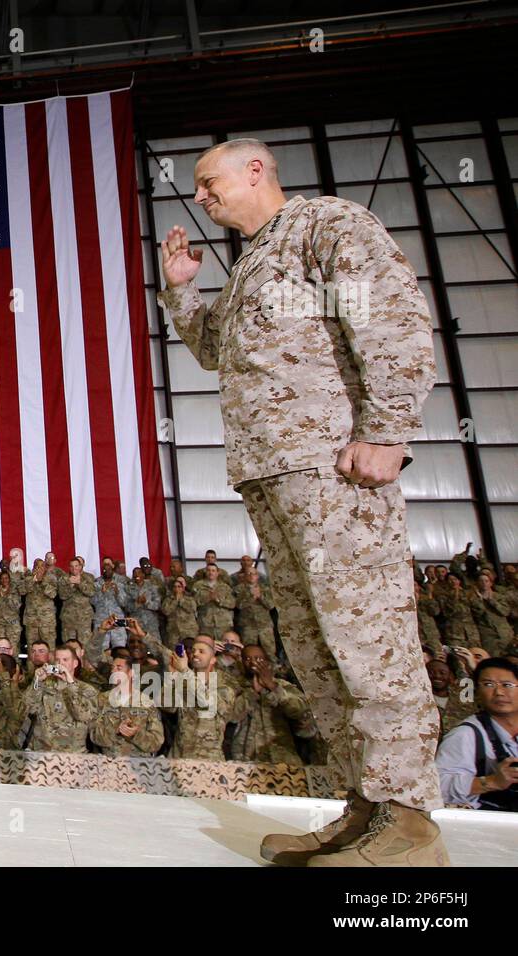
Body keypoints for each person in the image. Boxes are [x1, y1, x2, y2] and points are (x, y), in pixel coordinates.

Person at [159, 138, 445, 866]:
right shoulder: (254, 260)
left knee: (368, 639)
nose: (201, 196)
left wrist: (387, 430)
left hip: (336, 471)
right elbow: (216, 349)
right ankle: (366, 808)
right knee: (319, 649)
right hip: (273, 475)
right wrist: (182, 288)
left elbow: (395, 323)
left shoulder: (326, 226)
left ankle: (410, 826)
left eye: (207, 181)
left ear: (255, 169)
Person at [435, 658, 518, 811]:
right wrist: (492, 781)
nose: (499, 692)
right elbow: (438, 787)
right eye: (488, 684)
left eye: (507, 685)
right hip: (492, 826)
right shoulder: (465, 735)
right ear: (477, 692)